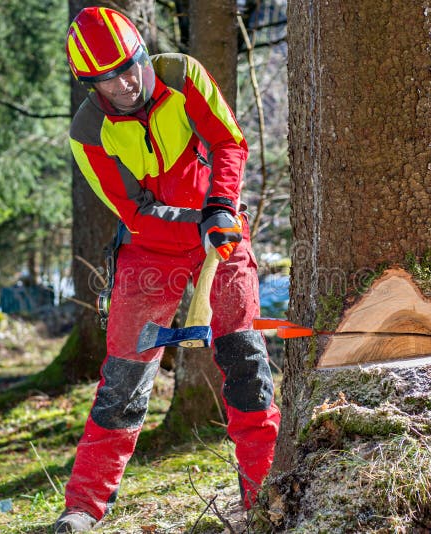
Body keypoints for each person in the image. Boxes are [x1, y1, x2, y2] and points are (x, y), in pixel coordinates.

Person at [55, 8, 281, 533]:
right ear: (91, 86)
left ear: (142, 52)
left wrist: (220, 210)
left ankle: (265, 493)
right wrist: (193, 227)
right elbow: (134, 212)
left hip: (221, 234)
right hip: (149, 247)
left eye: (130, 66)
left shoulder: (182, 75)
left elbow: (229, 141)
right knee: (125, 379)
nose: (126, 83)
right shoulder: (88, 132)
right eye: (107, 80)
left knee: (246, 364)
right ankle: (83, 507)